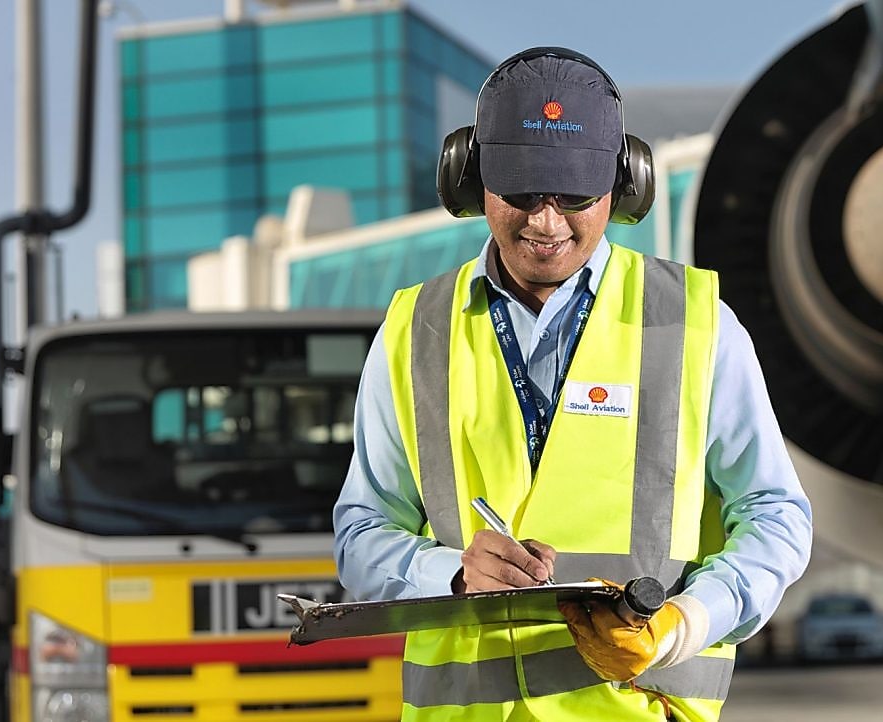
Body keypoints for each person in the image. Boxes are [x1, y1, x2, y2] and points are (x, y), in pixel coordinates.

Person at [333, 46, 812, 722]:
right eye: (522, 193)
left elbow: (777, 517)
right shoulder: (414, 331)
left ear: (625, 183)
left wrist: (686, 623)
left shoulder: (697, 326)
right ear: (470, 179)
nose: (547, 223)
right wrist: (452, 574)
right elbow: (361, 532)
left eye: (576, 197)